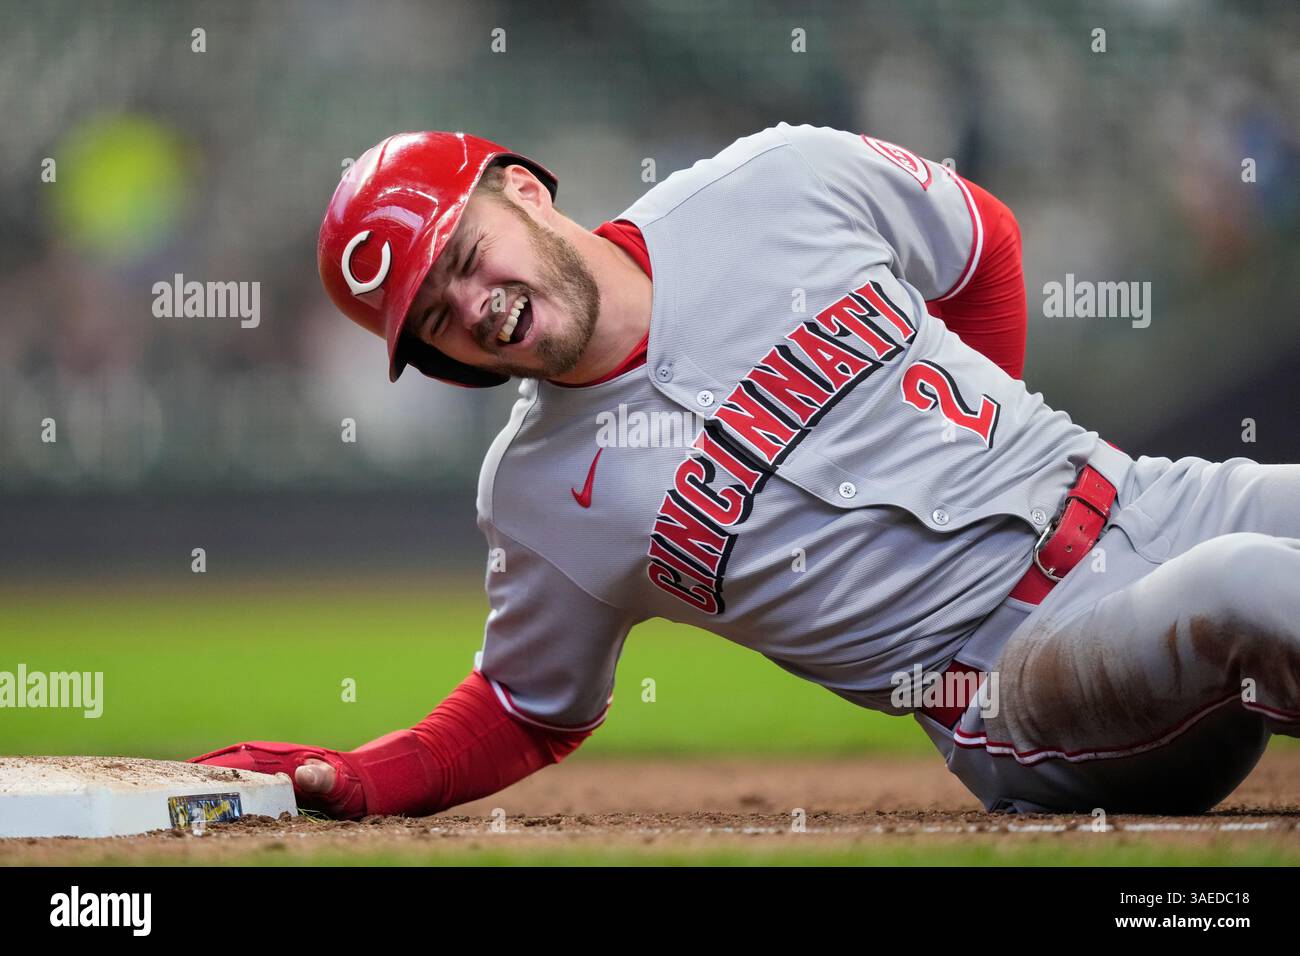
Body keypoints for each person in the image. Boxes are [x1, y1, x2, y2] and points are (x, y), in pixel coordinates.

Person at [194, 125, 1300, 816]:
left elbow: (981, 241)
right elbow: (527, 707)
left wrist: (988, 439)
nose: (472, 306)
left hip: (1154, 498)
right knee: (1251, 584)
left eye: (464, 256)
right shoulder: (535, 497)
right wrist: (374, 773)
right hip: (1018, 679)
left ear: (522, 190)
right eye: (434, 318)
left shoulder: (775, 183)